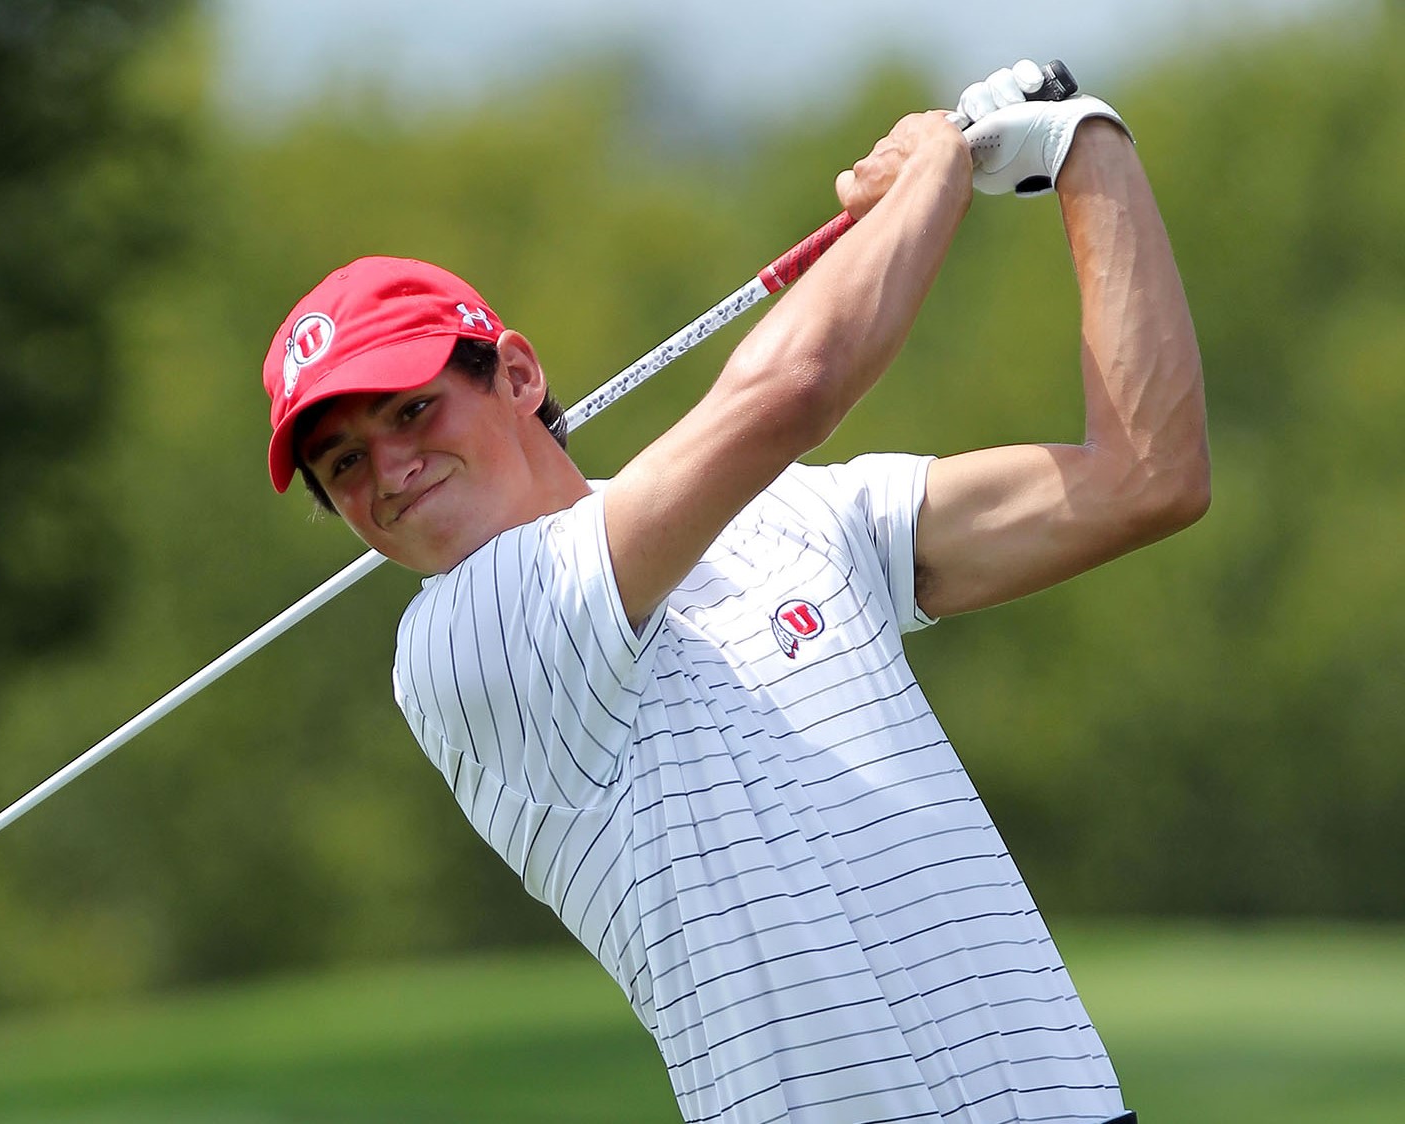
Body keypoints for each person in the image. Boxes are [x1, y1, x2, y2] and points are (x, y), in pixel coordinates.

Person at [258, 61, 1204, 1124]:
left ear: (517, 377)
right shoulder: (465, 645)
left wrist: (1083, 146)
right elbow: (792, 389)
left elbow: (1146, 478)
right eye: (342, 463)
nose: (386, 471)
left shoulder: (793, 519)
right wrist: (938, 165)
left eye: (411, 411)